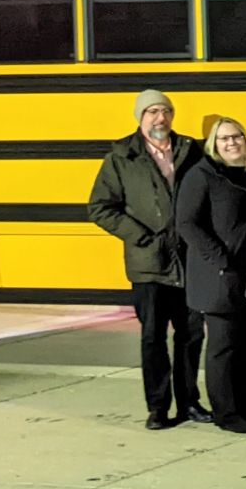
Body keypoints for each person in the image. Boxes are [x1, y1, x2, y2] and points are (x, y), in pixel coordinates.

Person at [88, 89, 208, 429]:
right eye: (152, 112)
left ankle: (189, 402)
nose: (160, 118)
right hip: (149, 264)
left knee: (190, 336)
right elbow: (100, 207)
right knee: (153, 338)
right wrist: (141, 237)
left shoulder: (190, 151)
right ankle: (158, 407)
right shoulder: (122, 157)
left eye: (165, 111)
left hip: (187, 261)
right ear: (140, 118)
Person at [175, 117, 246, 436]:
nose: (232, 143)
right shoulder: (202, 176)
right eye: (224, 139)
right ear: (213, 145)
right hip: (220, 276)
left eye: (237, 137)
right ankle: (227, 412)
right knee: (223, 346)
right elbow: (187, 223)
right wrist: (220, 258)